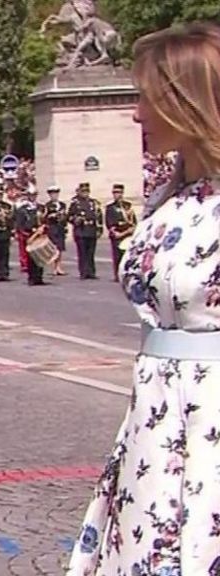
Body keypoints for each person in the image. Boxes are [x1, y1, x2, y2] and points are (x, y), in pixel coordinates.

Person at [66, 21, 220, 576]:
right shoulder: (167, 196)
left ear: (188, 103)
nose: (135, 115)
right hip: (155, 421)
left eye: (146, 99)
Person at [67, 182, 103, 279]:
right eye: (83, 191)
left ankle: (91, 272)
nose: (85, 193)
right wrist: (76, 220)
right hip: (81, 231)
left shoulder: (93, 203)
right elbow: (69, 216)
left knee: (91, 253)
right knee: (82, 253)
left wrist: (99, 229)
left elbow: (99, 216)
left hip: (91, 230)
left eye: (87, 191)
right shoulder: (75, 203)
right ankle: (83, 272)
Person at [103, 183, 136, 282]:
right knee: (117, 256)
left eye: (120, 192)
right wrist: (117, 233)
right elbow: (109, 223)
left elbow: (133, 221)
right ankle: (117, 275)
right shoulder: (110, 207)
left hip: (128, 234)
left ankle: (127, 273)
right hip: (117, 234)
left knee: (128, 256)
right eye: (115, 193)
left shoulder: (128, 206)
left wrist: (129, 231)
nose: (118, 195)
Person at [14, 189, 47, 286]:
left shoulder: (41, 207)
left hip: (40, 234)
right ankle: (32, 277)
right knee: (31, 257)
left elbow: (45, 220)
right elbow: (20, 224)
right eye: (31, 195)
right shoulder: (23, 209)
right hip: (30, 235)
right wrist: (26, 233)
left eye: (34, 195)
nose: (33, 197)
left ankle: (39, 277)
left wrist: (43, 228)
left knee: (40, 256)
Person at [43, 186, 69, 275]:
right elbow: (44, 217)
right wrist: (51, 216)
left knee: (60, 248)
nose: (54, 196)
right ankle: (53, 267)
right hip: (52, 228)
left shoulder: (62, 205)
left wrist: (64, 220)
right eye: (52, 194)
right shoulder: (47, 205)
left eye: (56, 194)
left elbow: (66, 216)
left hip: (60, 228)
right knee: (54, 248)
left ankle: (58, 266)